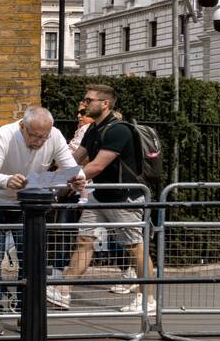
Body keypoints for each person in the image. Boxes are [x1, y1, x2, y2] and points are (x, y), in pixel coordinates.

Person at [53, 84, 155, 315]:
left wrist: (57, 181)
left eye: (89, 100)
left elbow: (96, 166)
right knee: (85, 239)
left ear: (105, 103)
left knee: (134, 246)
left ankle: (147, 298)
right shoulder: (92, 130)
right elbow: (76, 160)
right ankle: (63, 290)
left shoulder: (119, 130)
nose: (85, 103)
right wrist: (54, 177)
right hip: (101, 195)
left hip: (123, 197)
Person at [0, 107, 79, 333]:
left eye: (43, 136)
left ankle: (26, 314)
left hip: (26, 204)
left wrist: (77, 180)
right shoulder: (4, 134)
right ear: (22, 126)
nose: (39, 141)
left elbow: (72, 169)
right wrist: (7, 180)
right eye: (33, 135)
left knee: (30, 258)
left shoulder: (54, 135)